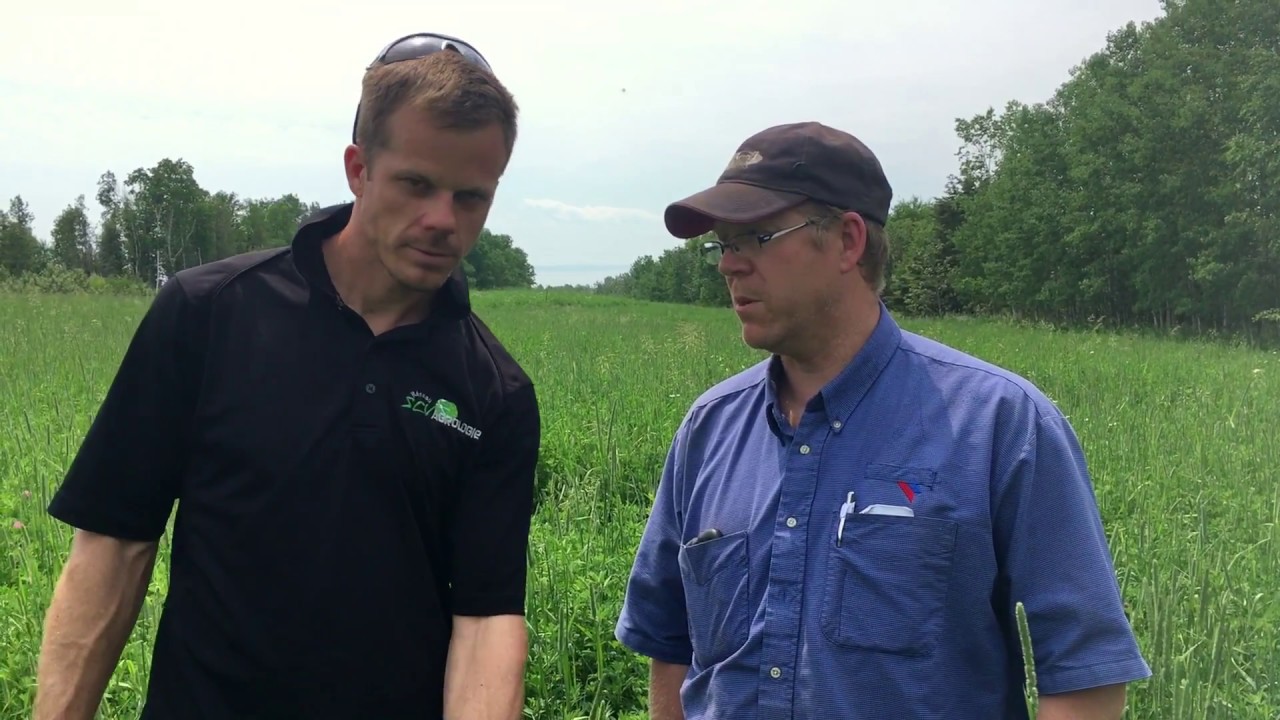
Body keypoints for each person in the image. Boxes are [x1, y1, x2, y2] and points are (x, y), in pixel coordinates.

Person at [34, 32, 539, 720]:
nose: (442, 221)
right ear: (358, 168)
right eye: (416, 184)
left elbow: (485, 622)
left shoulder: (495, 392)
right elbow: (115, 542)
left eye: (471, 197)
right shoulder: (210, 312)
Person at [614, 121, 1151, 719]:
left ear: (847, 241)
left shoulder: (1000, 423)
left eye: (757, 237)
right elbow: (671, 642)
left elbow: (1084, 672)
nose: (728, 266)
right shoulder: (709, 428)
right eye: (724, 244)